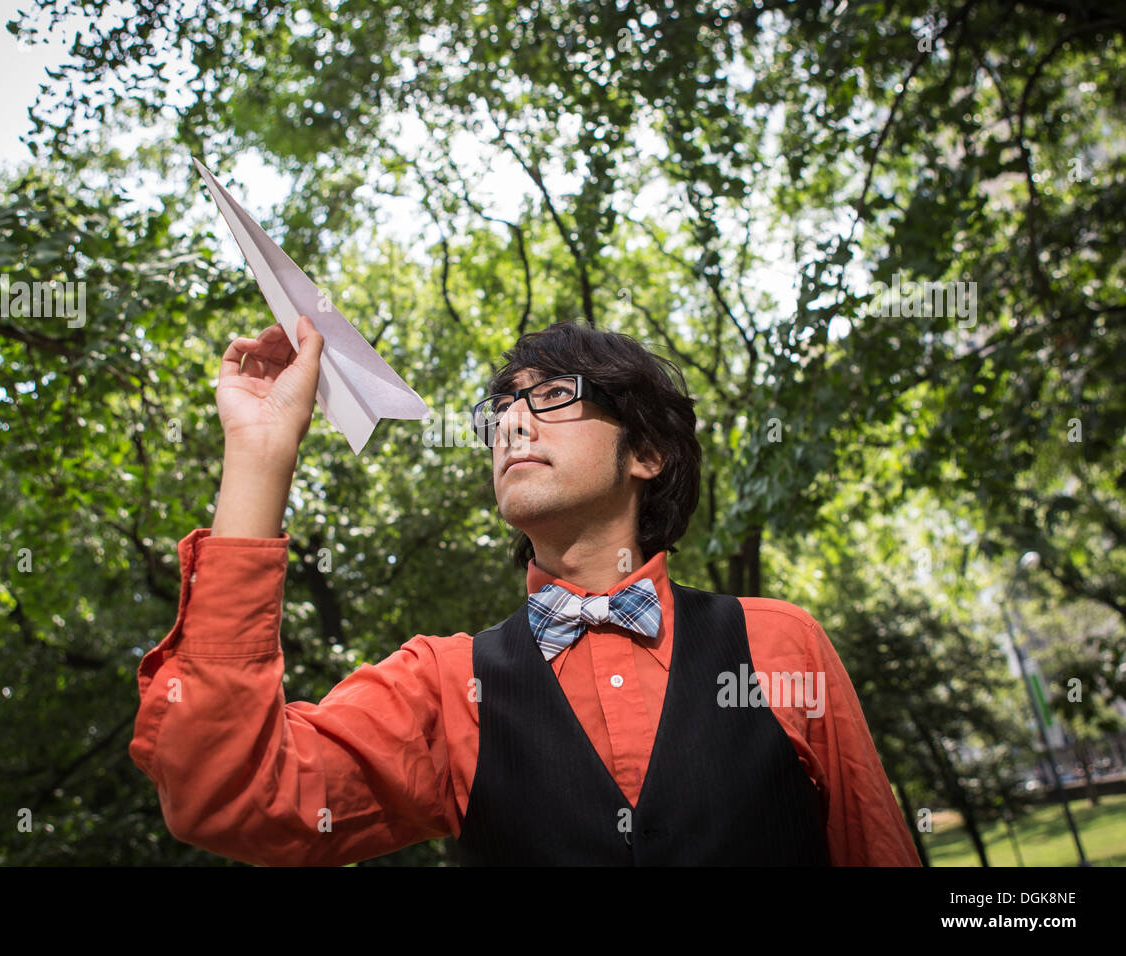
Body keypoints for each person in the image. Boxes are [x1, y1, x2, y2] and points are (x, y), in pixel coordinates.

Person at [129, 315, 922, 866]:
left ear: (645, 452)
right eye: (500, 409)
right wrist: (261, 453)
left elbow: (877, 852)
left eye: (550, 397)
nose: (511, 424)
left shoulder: (779, 643)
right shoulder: (445, 688)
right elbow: (227, 794)